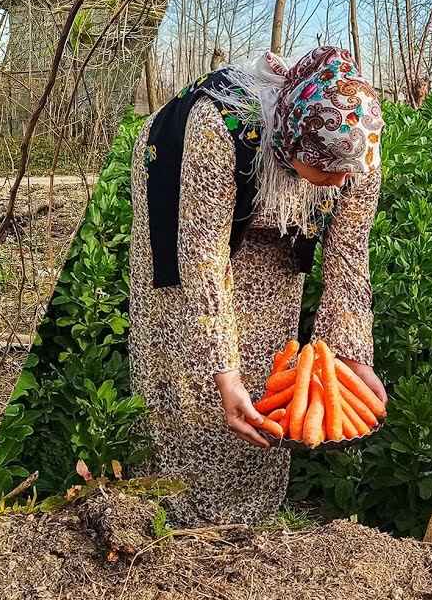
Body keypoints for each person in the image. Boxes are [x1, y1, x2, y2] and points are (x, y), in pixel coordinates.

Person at [128, 46, 389, 526]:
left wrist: (352, 359)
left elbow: (349, 257)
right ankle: (175, 507)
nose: (339, 185)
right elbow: (203, 259)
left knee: (269, 350)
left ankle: (254, 512)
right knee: (189, 353)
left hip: (274, 215)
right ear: (293, 145)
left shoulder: (356, 150)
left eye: (346, 174)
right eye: (328, 173)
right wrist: (224, 376)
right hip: (181, 181)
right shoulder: (218, 128)